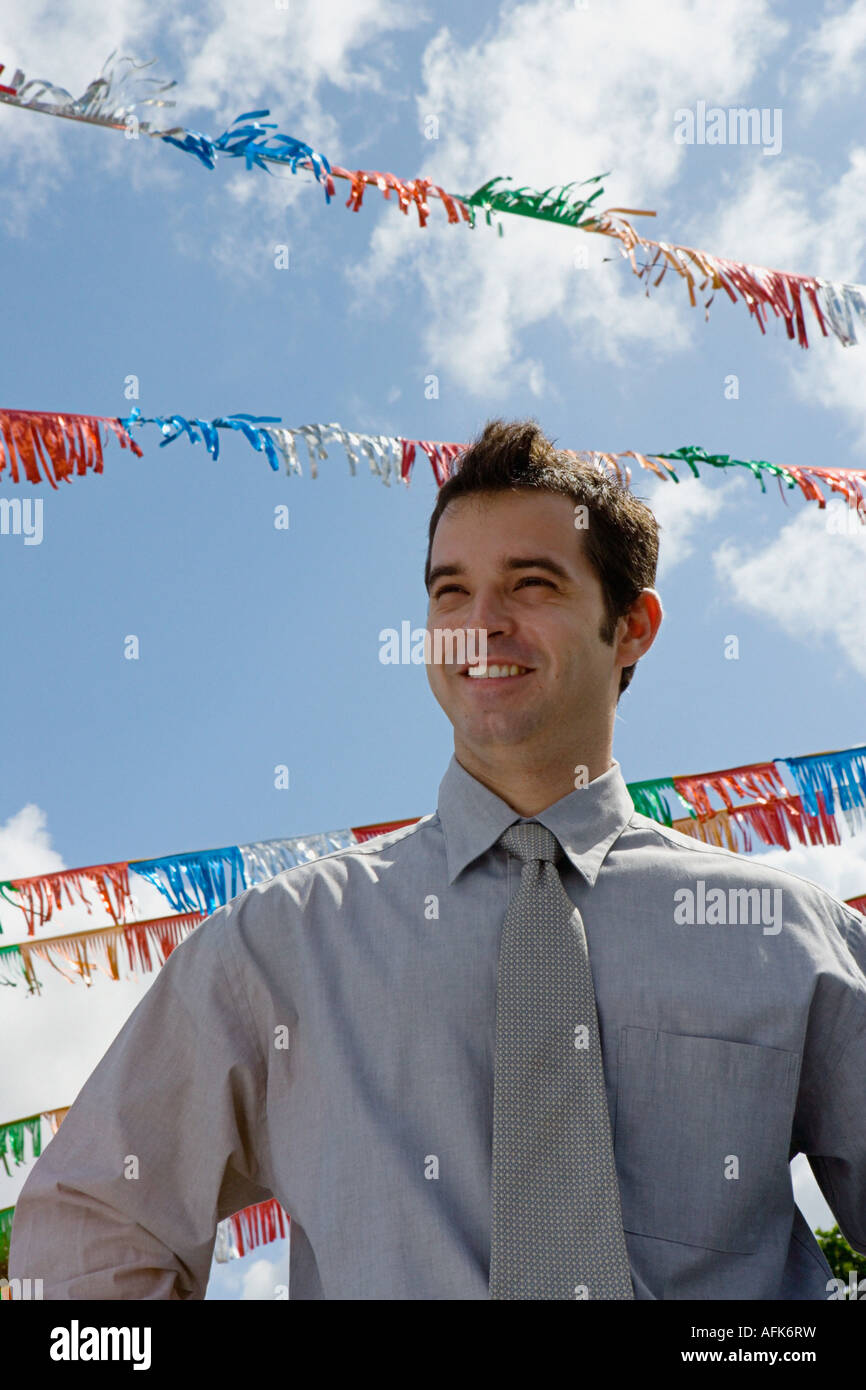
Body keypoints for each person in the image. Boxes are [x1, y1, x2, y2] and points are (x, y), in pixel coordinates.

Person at [9, 418, 866, 1299]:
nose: (480, 624)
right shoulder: (280, 944)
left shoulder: (786, 935)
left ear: (633, 626)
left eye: (531, 584)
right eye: (449, 593)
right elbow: (91, 1222)